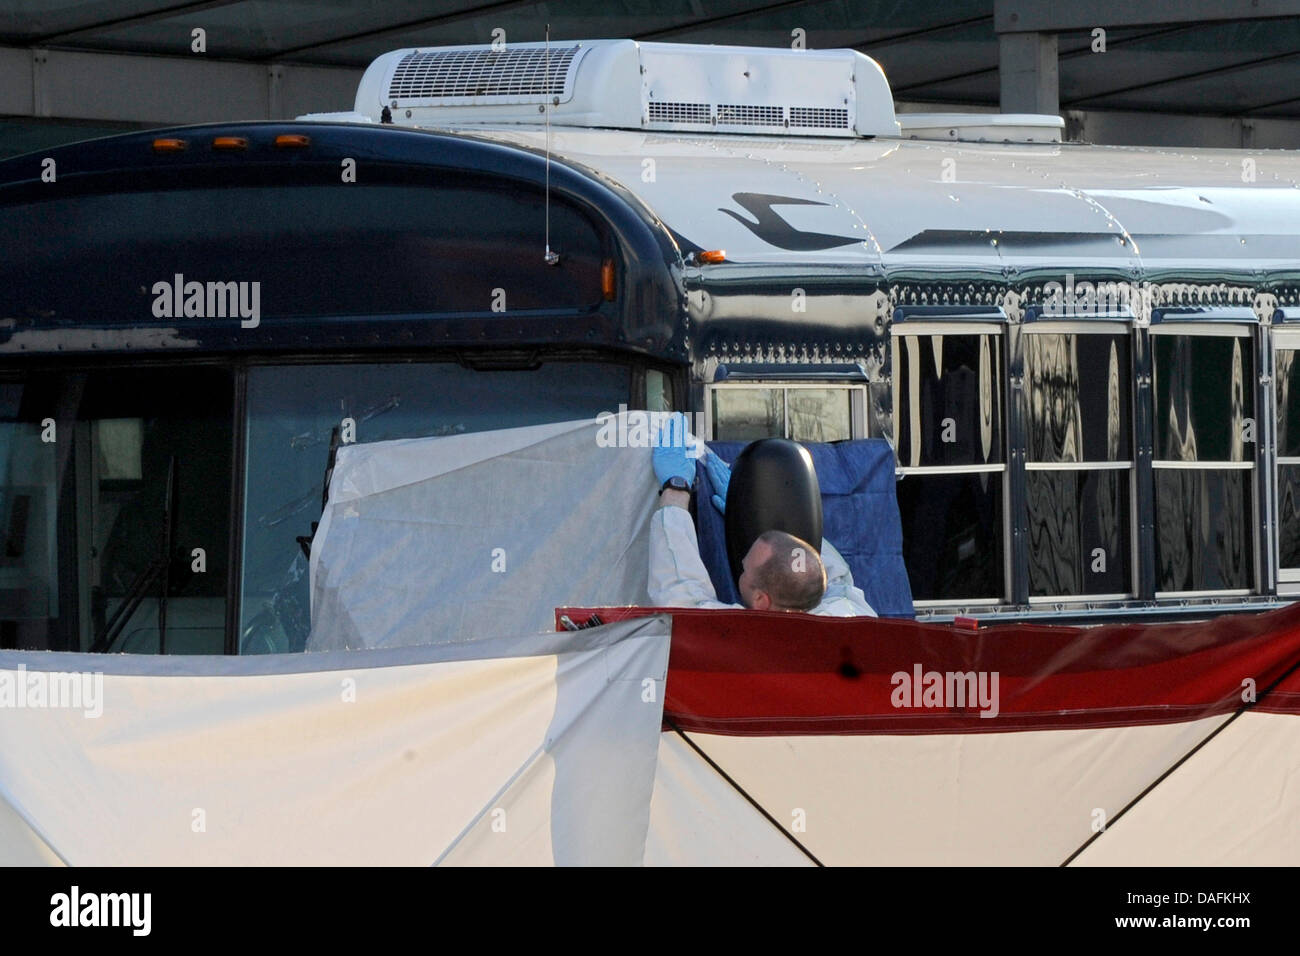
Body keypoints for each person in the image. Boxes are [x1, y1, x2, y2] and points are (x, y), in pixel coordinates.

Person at [647, 413, 876, 616]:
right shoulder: (854, 615)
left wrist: (675, 488)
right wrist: (751, 512)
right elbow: (837, 579)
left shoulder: (745, 641)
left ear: (760, 600)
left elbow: (680, 594)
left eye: (744, 569)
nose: (741, 567)